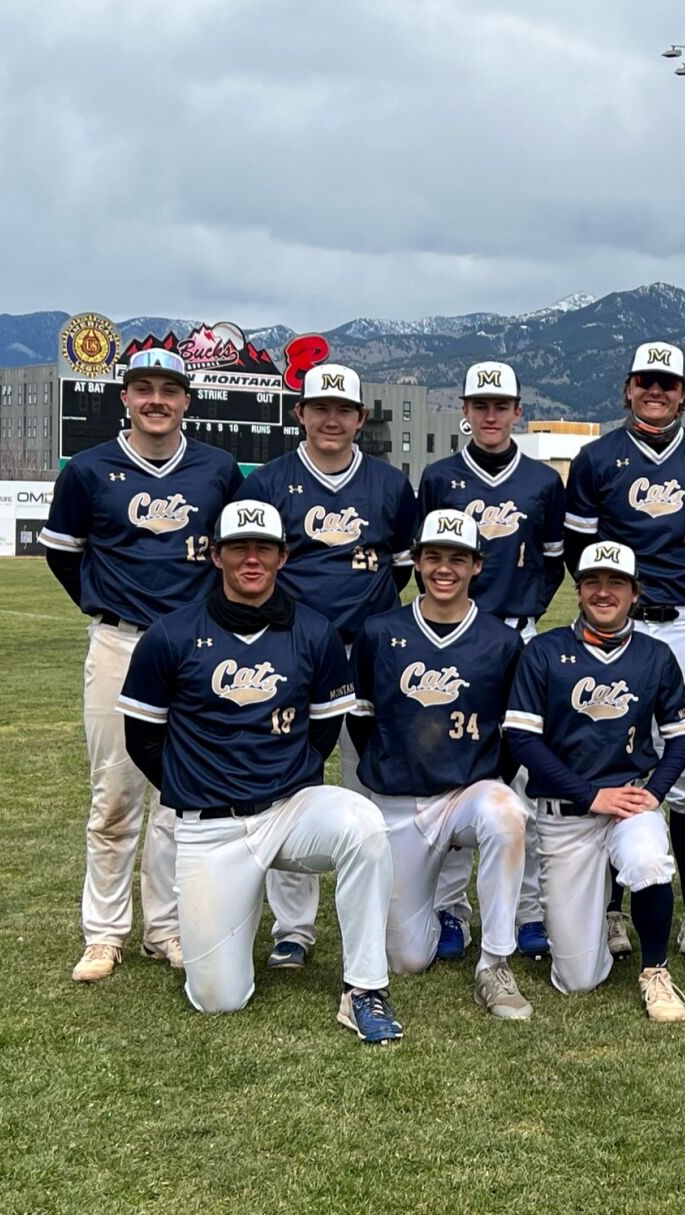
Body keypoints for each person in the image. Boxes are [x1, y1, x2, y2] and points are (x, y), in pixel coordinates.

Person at [116, 500, 403, 1043]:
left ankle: (365, 988)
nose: (252, 559)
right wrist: (197, 784)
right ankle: (234, 918)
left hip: (288, 809)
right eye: (239, 548)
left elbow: (321, 734)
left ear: (282, 556)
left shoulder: (315, 634)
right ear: (217, 555)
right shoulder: (170, 636)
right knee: (217, 1000)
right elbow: (144, 739)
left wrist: (280, 781)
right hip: (210, 825)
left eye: (263, 548)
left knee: (363, 824)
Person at [41, 346, 243, 982]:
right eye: (143, 388)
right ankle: (103, 934)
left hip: (193, 648)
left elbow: (236, 555)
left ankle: (166, 927)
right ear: (124, 397)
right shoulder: (89, 469)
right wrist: (107, 605)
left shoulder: (217, 469)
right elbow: (64, 555)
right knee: (115, 794)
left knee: (178, 797)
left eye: (169, 389)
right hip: (120, 644)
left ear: (186, 400)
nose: (157, 399)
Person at [236, 362, 417, 972]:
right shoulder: (268, 482)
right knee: (293, 778)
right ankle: (295, 927)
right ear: (301, 414)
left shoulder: (390, 485)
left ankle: (383, 914)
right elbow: (253, 567)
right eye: (320, 408)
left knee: (375, 778)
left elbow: (399, 568)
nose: (331, 419)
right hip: (292, 652)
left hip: (369, 652)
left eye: (344, 410)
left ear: (361, 419)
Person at [563, 341, 685, 962]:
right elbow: (576, 553)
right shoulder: (596, 457)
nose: (656, 391)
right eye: (645, 381)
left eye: (668, 383)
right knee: (610, 759)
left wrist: (684, 596)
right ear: (627, 389)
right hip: (618, 630)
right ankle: (612, 910)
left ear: (684, 392)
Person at [349, 509, 534, 1020]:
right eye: (434, 557)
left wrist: (481, 779)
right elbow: (362, 722)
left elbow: (513, 735)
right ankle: (444, 915)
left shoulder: (501, 641)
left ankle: (494, 961)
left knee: (504, 812)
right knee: (406, 959)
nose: (444, 568)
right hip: (398, 801)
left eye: (458, 558)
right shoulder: (380, 632)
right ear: (418, 561)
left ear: (477, 564)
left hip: (468, 792)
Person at [505, 542, 685, 1021]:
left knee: (649, 857)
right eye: (593, 582)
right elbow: (523, 743)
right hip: (564, 815)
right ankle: (599, 928)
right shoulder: (545, 651)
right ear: (579, 590)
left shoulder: (655, 655)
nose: (603, 592)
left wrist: (654, 792)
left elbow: (682, 736)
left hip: (628, 802)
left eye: (616, 583)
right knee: (577, 979)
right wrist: (591, 794)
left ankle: (655, 969)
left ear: (635, 593)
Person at [418, 361, 566, 965]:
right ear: (465, 407)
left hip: (515, 633)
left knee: (525, 773)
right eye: (479, 403)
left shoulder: (541, 482)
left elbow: (555, 560)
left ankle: (526, 909)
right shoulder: (439, 477)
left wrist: (525, 611)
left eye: (500, 404)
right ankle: (451, 908)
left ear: (517, 410)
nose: (489, 414)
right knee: (456, 769)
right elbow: (421, 561)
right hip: (452, 634)